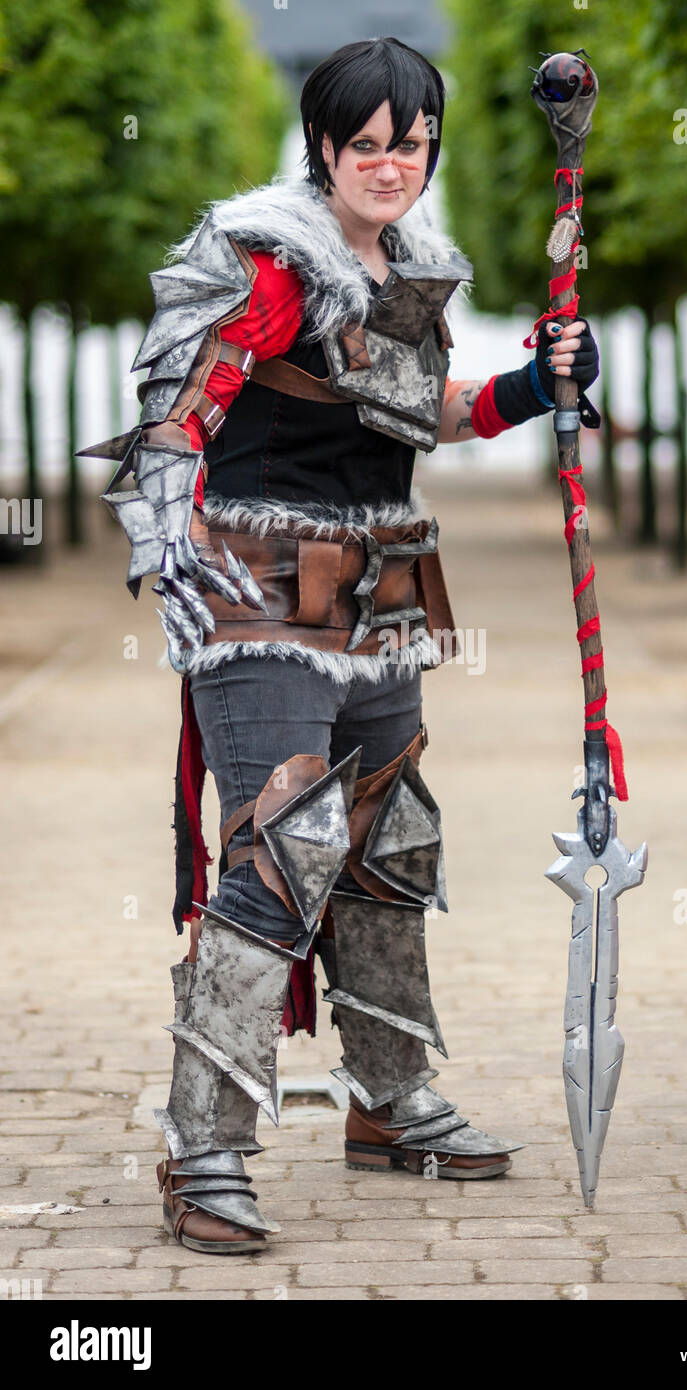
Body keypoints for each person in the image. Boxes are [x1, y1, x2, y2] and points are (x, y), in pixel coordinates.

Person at [83, 36, 600, 1254]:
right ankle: (203, 1142)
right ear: (325, 147)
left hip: (381, 584)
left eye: (410, 144)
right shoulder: (269, 265)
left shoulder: (414, 265)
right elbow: (171, 423)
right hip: (255, 585)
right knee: (281, 843)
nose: (389, 165)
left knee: (388, 840)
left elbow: (429, 411)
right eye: (365, 144)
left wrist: (538, 386)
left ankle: (389, 1098)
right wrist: (177, 571)